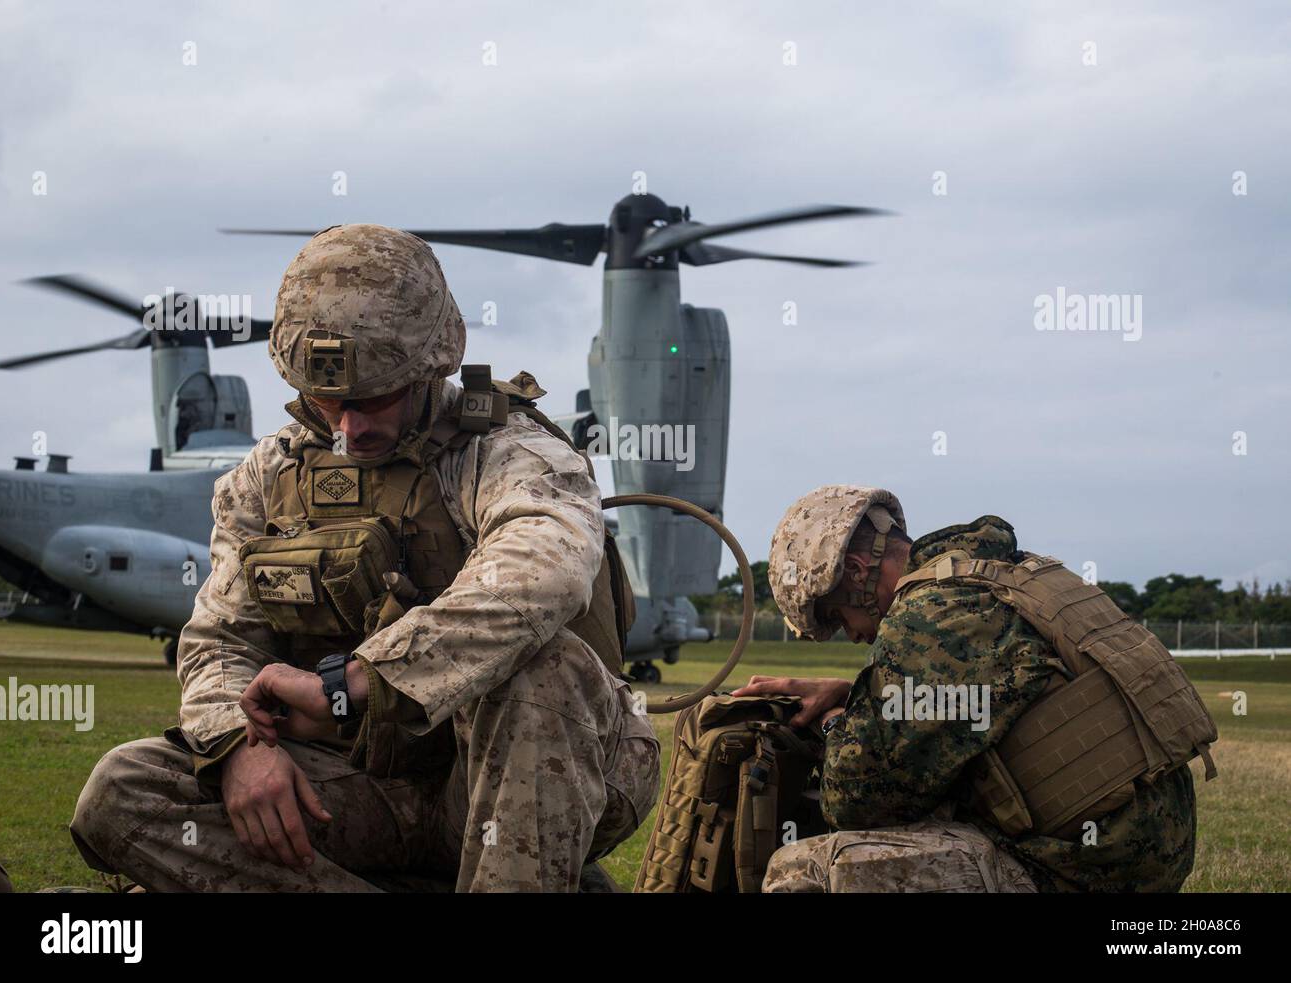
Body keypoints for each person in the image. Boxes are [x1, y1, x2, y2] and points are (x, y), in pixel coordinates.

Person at [70, 224, 659, 892]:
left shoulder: (509, 452)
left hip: (518, 775)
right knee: (124, 791)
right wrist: (237, 744)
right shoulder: (268, 476)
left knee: (547, 668)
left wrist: (357, 681)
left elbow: (540, 574)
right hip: (357, 788)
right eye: (330, 401)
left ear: (428, 366)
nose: (351, 429)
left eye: (374, 398)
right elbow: (217, 641)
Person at [738, 484, 1215, 893]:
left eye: (838, 617)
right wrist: (857, 694)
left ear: (859, 571)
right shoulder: (1006, 575)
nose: (854, 635)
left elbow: (855, 800)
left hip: (1079, 870)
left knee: (805, 871)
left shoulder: (930, 618)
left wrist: (837, 722)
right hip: (1142, 850)